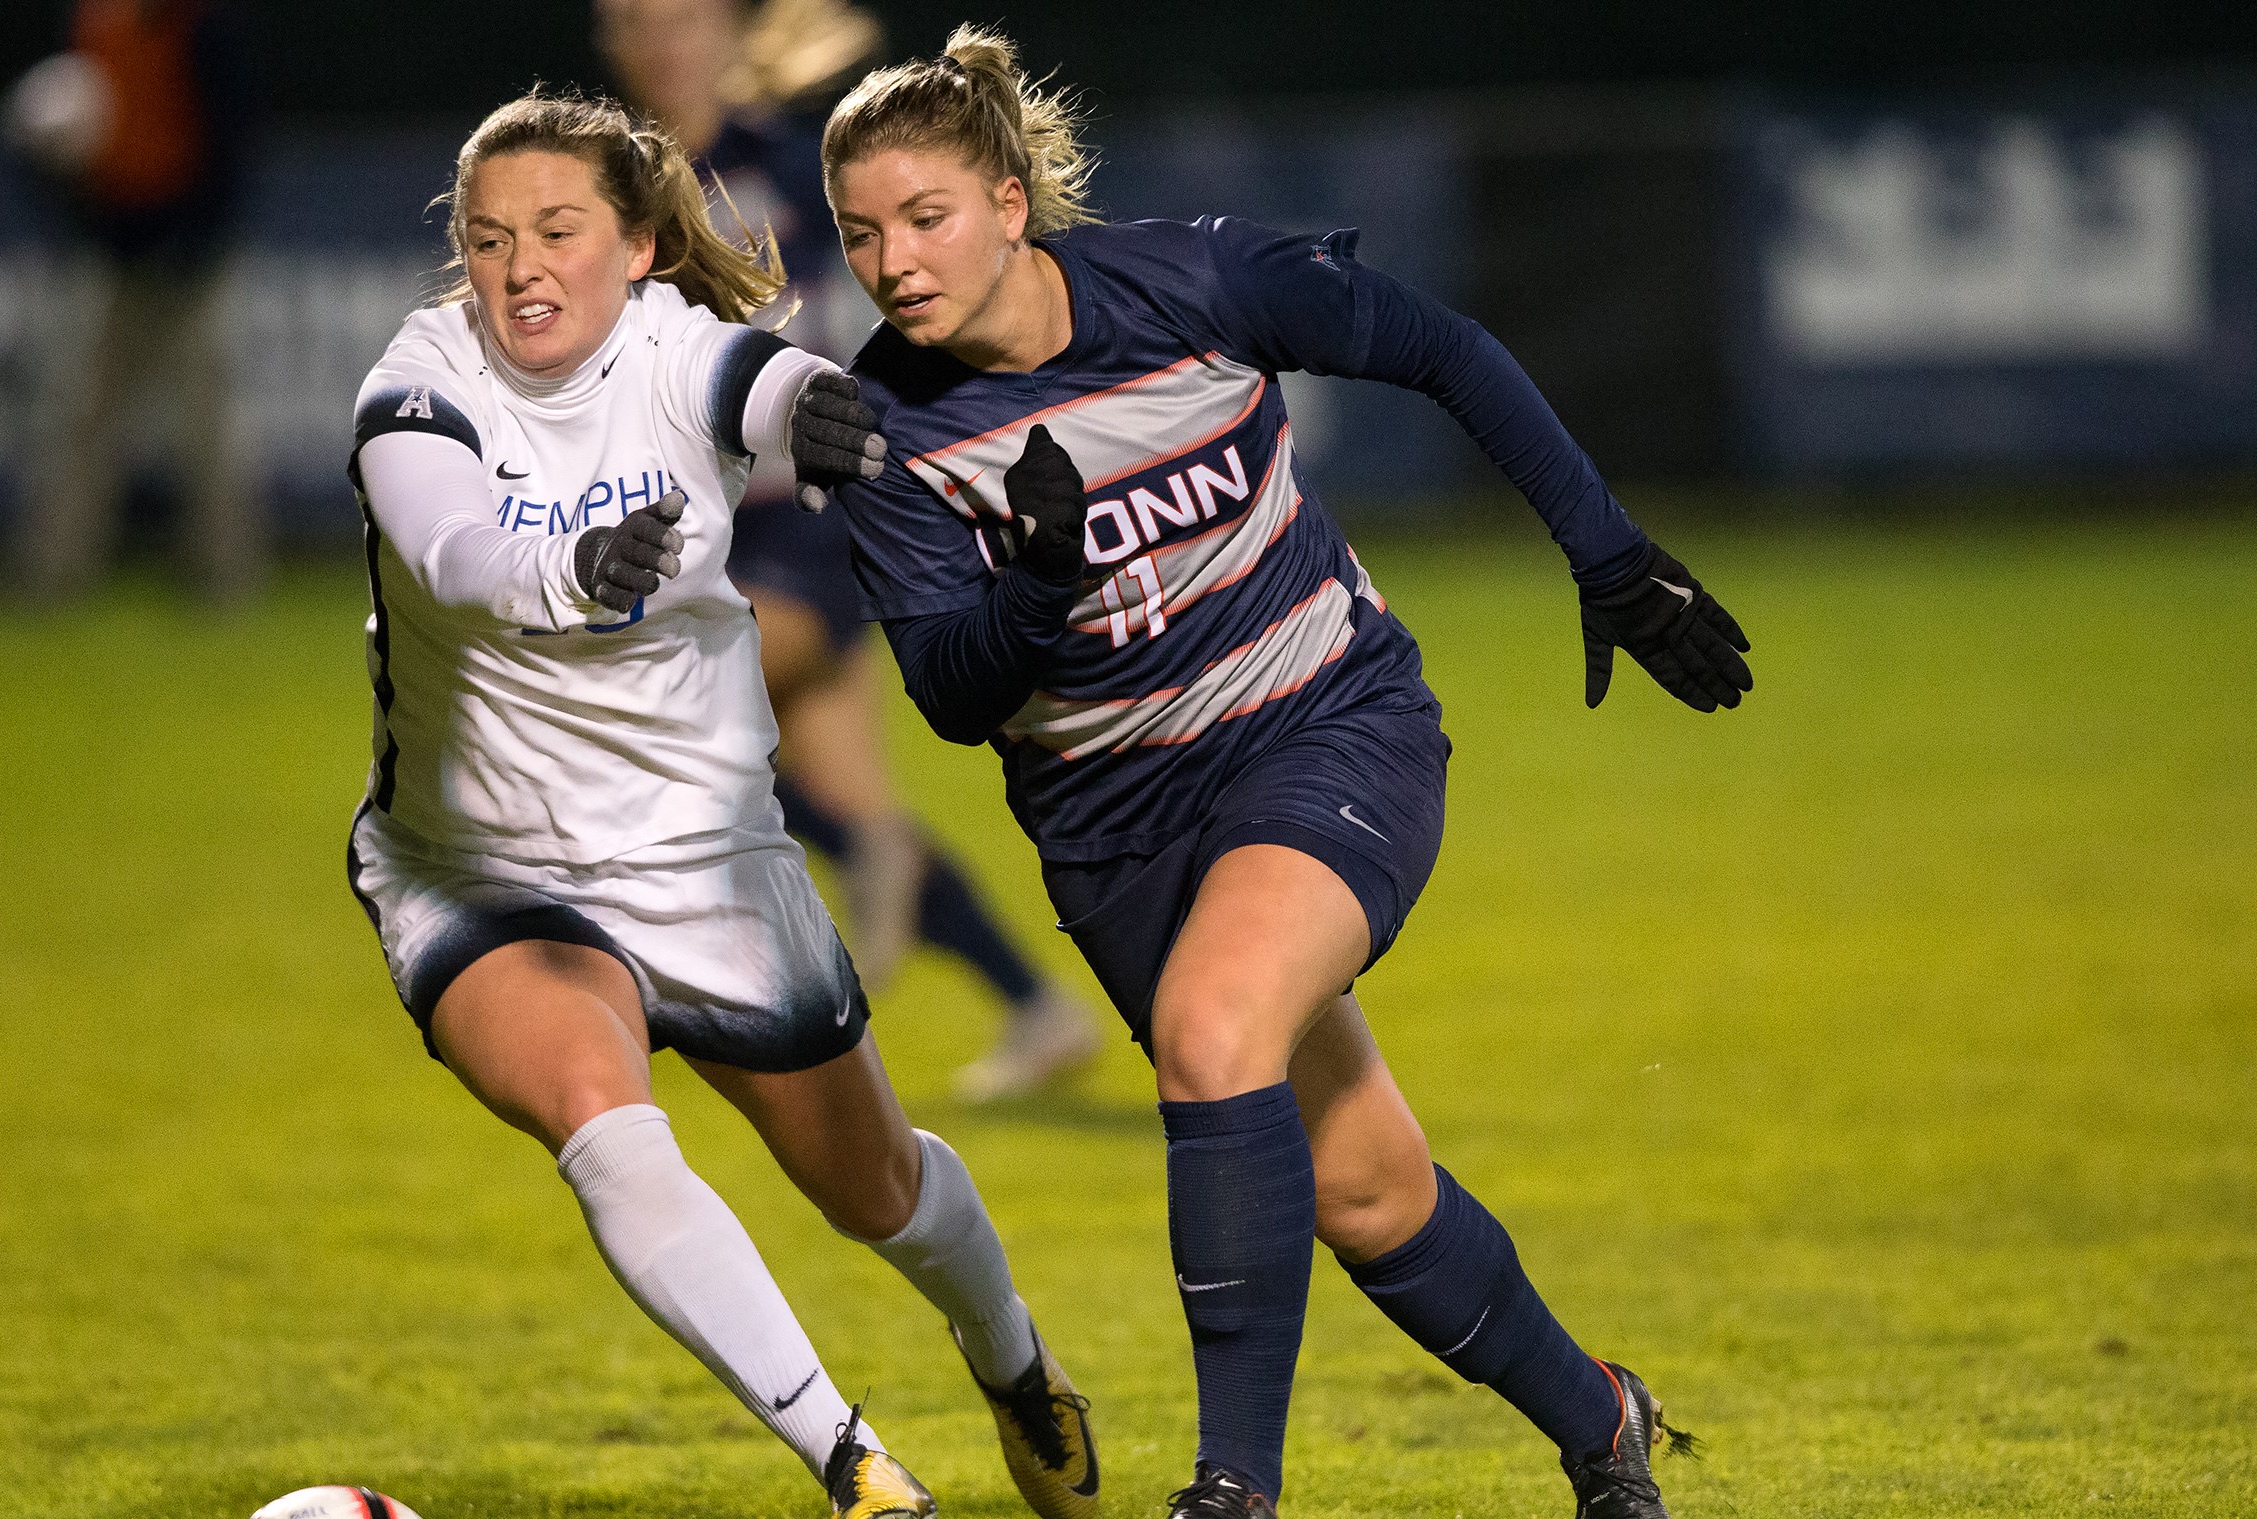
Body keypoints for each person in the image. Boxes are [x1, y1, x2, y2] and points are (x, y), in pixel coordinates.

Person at [821, 30, 1742, 1519]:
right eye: (862, 232)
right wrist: (1042, 580)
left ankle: (1233, 1487)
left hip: (1327, 723)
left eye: (925, 217)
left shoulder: (1192, 280)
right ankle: (1604, 1418)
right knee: (1366, 1188)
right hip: (1115, 828)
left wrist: (1610, 554)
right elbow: (949, 694)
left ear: (1007, 202)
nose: (893, 261)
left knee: (1212, 1026)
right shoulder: (884, 431)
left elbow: (1444, 346)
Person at [340, 90, 1098, 1519]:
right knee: (601, 1116)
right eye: (490, 238)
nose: (521, 267)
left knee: (877, 1189)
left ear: (635, 247)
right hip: (479, 867)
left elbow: (760, 382)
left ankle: (1012, 1358)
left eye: (558, 231)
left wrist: (816, 412)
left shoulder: (676, 348)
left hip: (707, 861)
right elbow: (450, 551)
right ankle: (856, 1465)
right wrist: (571, 570)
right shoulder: (420, 380)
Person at [595, 0, 1107, 1101]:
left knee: (654, 714)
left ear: (726, 33)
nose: (664, 43)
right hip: (722, 529)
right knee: (827, 798)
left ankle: (691, 988)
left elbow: (912, 278)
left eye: (684, 21)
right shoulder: (615, 189)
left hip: (815, 514)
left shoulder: (785, 165)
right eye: (640, 23)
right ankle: (1036, 1004)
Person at [1, 0, 262, 605]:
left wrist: (198, 240)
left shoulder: (200, 24)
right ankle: (50, 573)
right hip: (118, 251)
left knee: (202, 424)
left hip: (185, 262)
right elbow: (75, 136)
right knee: (83, 418)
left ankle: (225, 576)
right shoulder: (98, 21)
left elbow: (232, 140)